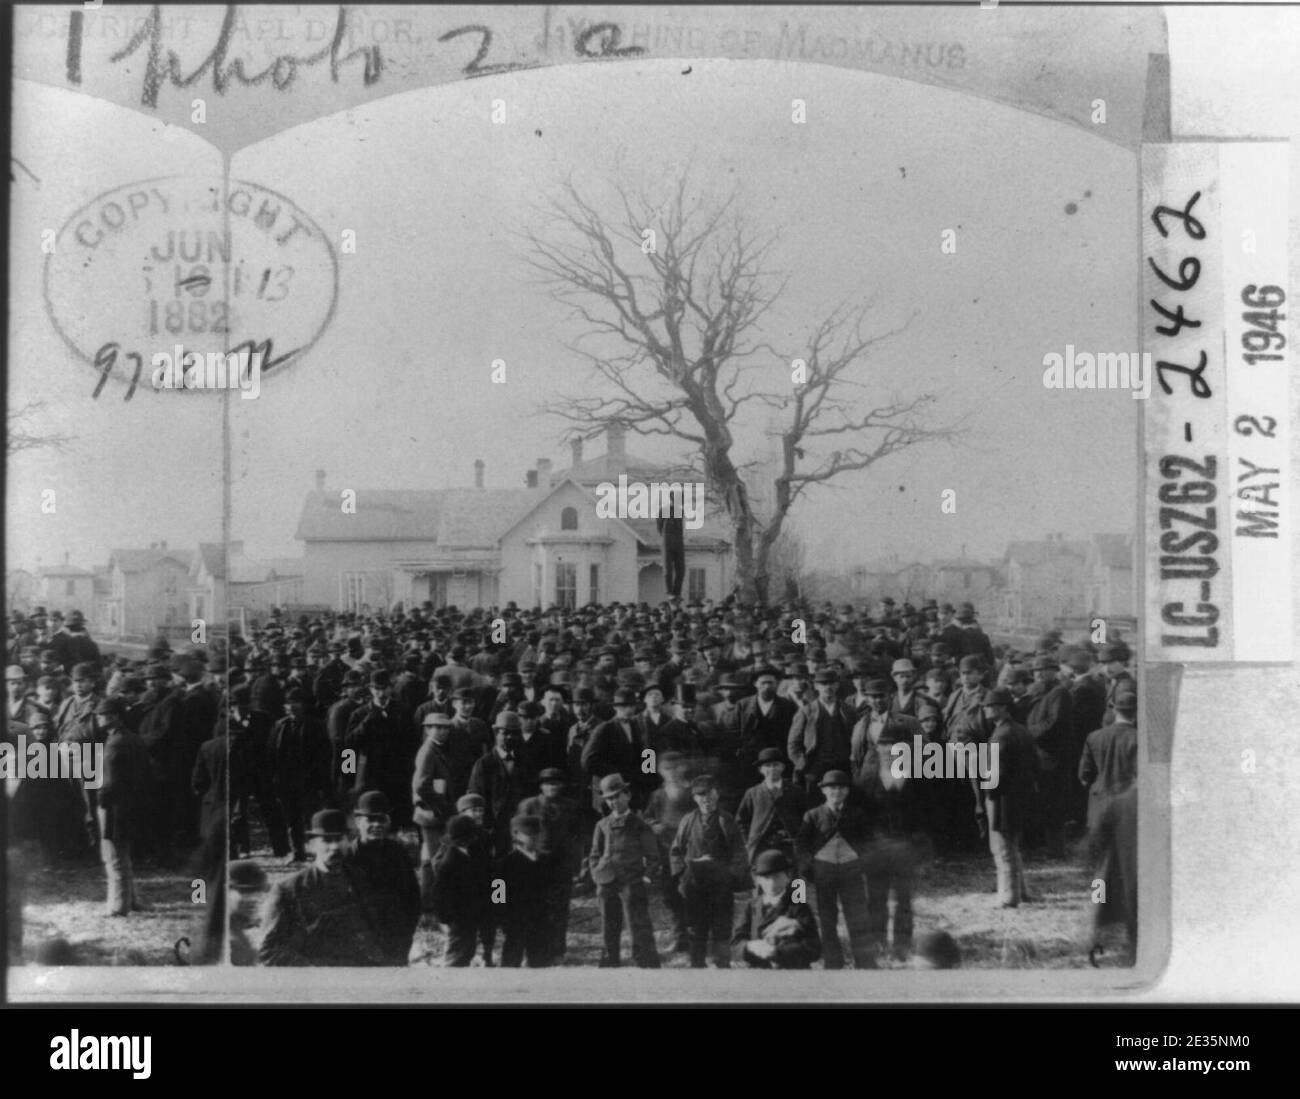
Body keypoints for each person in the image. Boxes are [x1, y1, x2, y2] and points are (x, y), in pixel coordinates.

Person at [259, 809, 389, 966]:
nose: (334, 847)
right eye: (327, 840)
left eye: (340, 838)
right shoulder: (288, 890)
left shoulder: (363, 881)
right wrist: (317, 973)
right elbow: (267, 951)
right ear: (312, 845)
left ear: (348, 840)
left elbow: (379, 932)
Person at [795, 770, 874, 969]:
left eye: (841, 788)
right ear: (824, 791)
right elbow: (801, 844)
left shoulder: (857, 814)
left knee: (857, 916)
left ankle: (865, 962)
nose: (836, 792)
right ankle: (833, 962)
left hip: (851, 870)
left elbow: (868, 842)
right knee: (828, 918)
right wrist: (809, 866)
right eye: (832, 788)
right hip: (824, 870)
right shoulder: (812, 815)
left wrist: (861, 861)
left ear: (847, 791)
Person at [670, 773, 748, 968]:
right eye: (701, 795)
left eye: (710, 794)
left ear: (717, 794)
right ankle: (697, 966)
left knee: (722, 926)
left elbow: (739, 852)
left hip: (721, 884)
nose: (706, 799)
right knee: (696, 927)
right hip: (695, 884)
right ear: (695, 798)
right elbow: (676, 851)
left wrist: (729, 874)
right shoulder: (687, 821)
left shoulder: (726, 820)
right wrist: (683, 876)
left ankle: (722, 965)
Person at [589, 774, 661, 968]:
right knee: (609, 924)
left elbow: (653, 857)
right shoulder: (602, 825)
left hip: (632, 881)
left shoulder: (640, 825)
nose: (613, 802)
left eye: (617, 796)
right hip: (607, 882)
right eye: (609, 798)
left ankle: (645, 961)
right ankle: (609, 961)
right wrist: (597, 874)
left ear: (627, 795)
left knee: (638, 924)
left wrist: (646, 879)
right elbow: (594, 854)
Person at [95, 696, 154, 916]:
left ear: (116, 717)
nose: (100, 718)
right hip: (130, 803)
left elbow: (108, 781)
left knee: (113, 857)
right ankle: (132, 900)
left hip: (114, 806)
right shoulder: (133, 738)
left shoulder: (114, 743)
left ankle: (119, 906)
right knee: (123, 854)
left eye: (104, 714)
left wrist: (100, 801)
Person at [980, 689, 1038, 908]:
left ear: (1003, 707)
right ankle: (1021, 891)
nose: (986, 709)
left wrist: (988, 795)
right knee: (1013, 846)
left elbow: (996, 774)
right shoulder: (1020, 730)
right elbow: (1035, 764)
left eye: (990, 705)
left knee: (1002, 848)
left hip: (1002, 799)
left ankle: (1009, 896)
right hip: (1019, 796)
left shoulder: (1000, 735)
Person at [349, 790, 421, 966]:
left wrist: (407, 930)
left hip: (396, 938)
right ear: (358, 822)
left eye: (381, 819)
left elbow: (412, 894)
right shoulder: (348, 858)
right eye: (370, 820)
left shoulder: (398, 852)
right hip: (360, 942)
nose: (377, 825)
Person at [517, 767, 582, 960]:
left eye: (556, 783)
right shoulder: (529, 805)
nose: (552, 787)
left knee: (560, 908)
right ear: (541, 786)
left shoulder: (571, 806)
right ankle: (537, 949)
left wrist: (577, 864)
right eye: (547, 784)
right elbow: (519, 834)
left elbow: (577, 837)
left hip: (562, 864)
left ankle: (557, 950)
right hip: (536, 863)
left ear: (562, 785)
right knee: (537, 907)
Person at [731, 849, 821, 969]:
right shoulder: (752, 906)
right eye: (766, 878)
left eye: (777, 877)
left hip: (792, 973)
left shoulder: (798, 905)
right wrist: (750, 946)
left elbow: (813, 948)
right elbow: (735, 943)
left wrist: (778, 952)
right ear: (758, 880)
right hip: (759, 973)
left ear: (787, 877)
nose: (772, 883)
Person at [642, 751, 694, 953]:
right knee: (670, 895)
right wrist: (653, 825)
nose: (671, 773)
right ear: (659, 771)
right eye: (666, 769)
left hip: (689, 850)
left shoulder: (691, 792)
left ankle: (694, 932)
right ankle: (679, 935)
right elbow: (647, 818)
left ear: (682, 768)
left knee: (690, 891)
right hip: (665, 851)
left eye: (675, 768)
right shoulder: (657, 795)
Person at [432, 814, 491, 967]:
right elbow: (439, 892)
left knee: (469, 948)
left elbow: (496, 879)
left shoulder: (475, 854)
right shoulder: (450, 861)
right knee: (459, 951)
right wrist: (445, 917)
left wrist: (499, 902)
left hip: (476, 911)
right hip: (458, 916)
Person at [495, 814, 553, 967]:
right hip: (515, 922)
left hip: (539, 921)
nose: (533, 838)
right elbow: (497, 896)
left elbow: (552, 890)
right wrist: (503, 918)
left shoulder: (545, 861)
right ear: (516, 835)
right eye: (528, 834)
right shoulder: (505, 864)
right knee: (510, 963)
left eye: (536, 834)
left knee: (540, 964)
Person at [735, 747, 808, 867]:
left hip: (789, 845)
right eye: (768, 766)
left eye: (776, 765)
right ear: (761, 770)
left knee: (795, 879)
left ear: (783, 767)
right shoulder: (753, 793)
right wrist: (748, 841)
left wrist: (799, 838)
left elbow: (806, 818)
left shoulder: (796, 791)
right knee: (764, 878)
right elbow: (740, 821)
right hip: (761, 846)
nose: (772, 769)